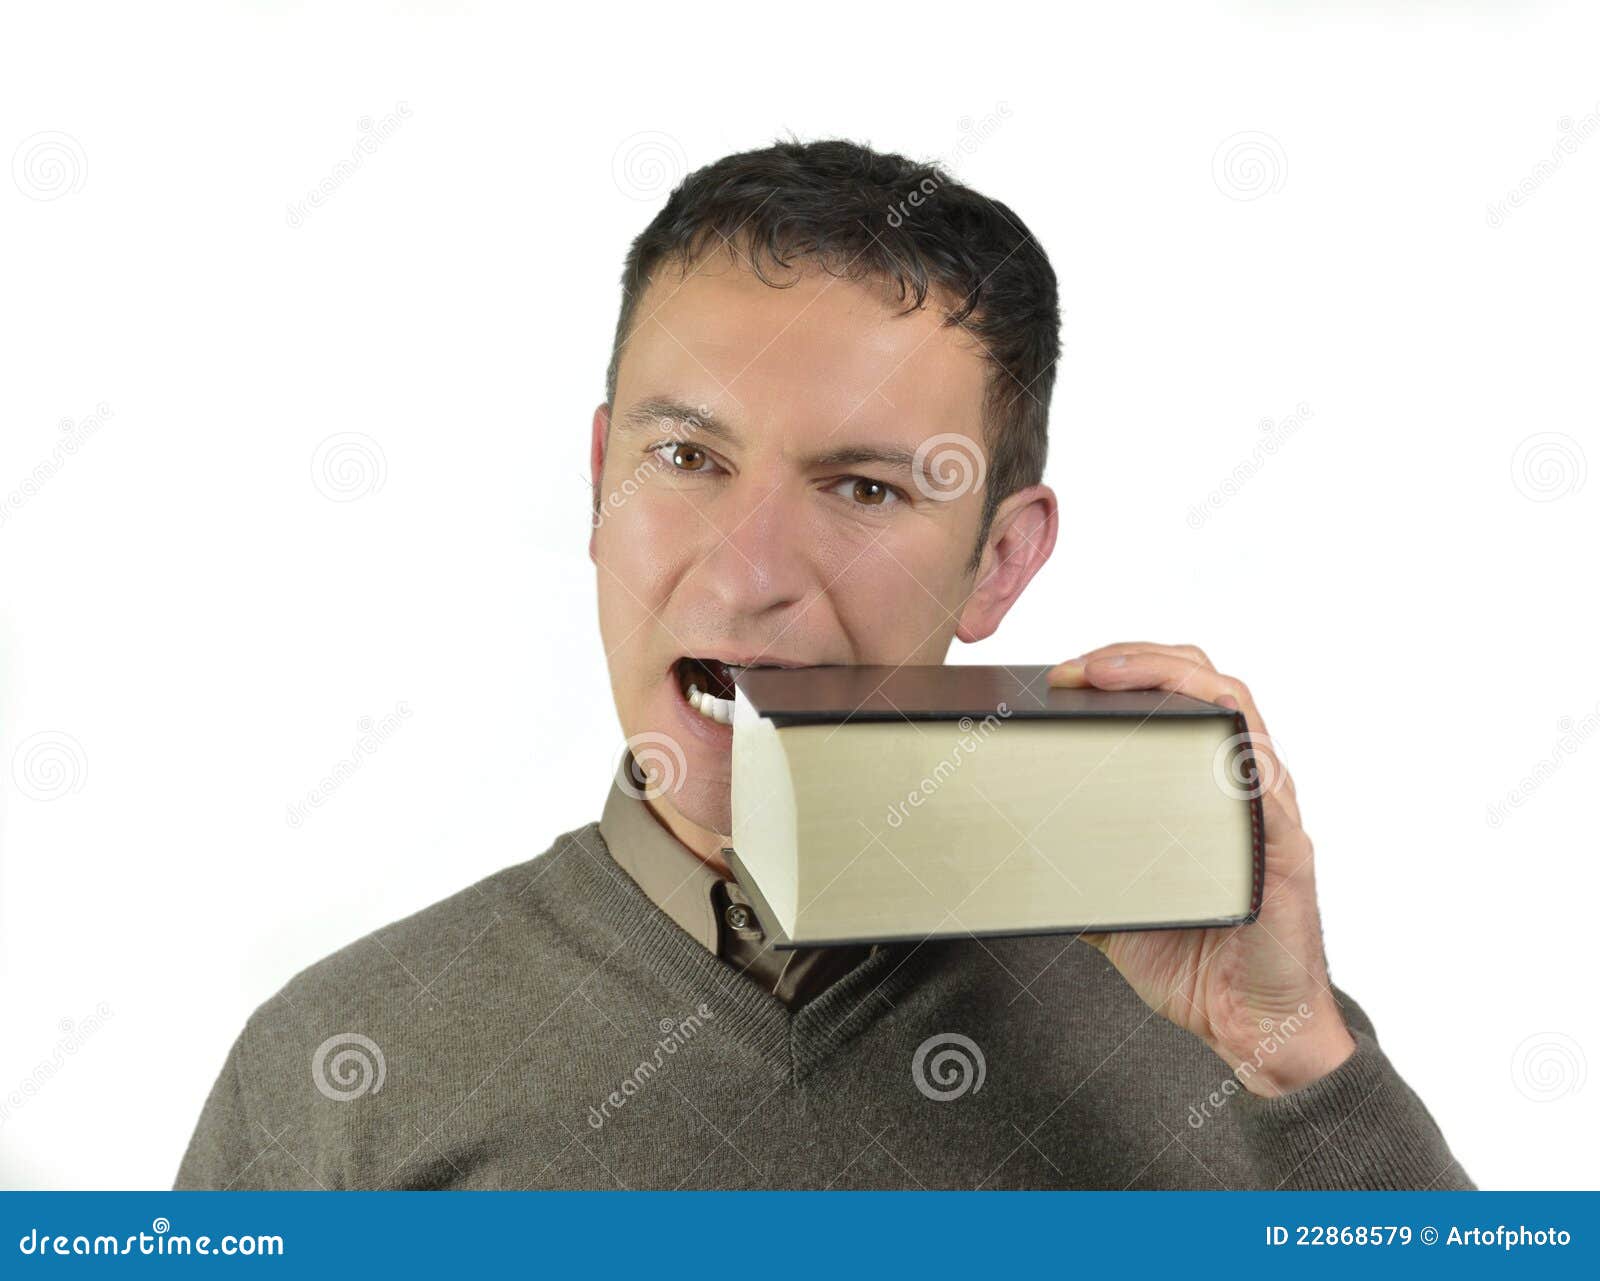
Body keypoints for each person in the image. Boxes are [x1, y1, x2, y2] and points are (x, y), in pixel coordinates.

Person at [176, 138, 1471, 1190]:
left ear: (1001, 565)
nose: (749, 571)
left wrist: (1295, 1060)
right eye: (685, 458)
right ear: (596, 479)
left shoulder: (1231, 1043)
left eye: (863, 485)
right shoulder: (336, 1065)